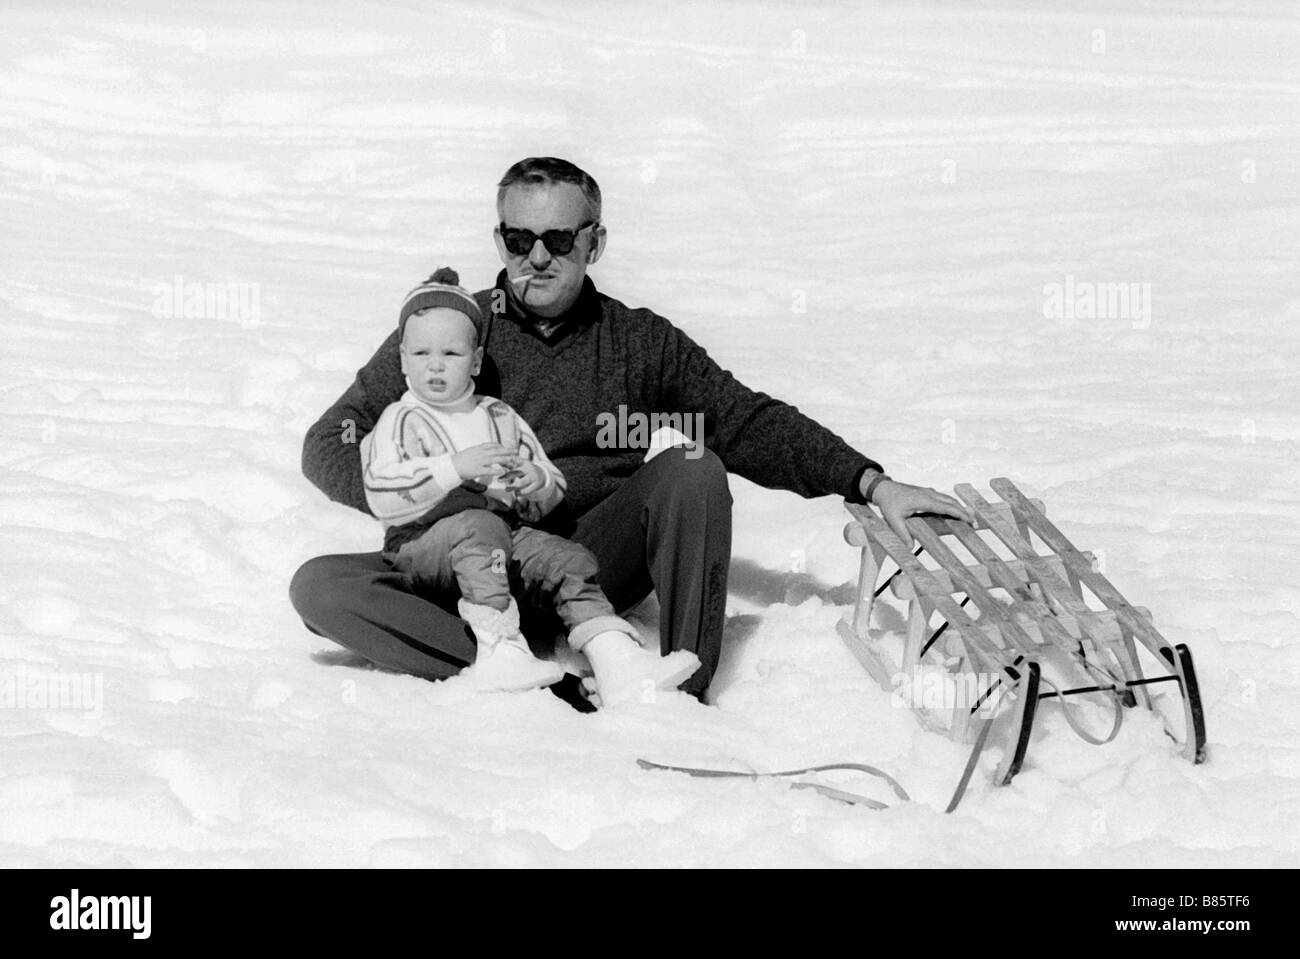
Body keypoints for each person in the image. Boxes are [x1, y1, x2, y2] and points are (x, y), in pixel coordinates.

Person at [290, 156, 969, 706]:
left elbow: (742, 418)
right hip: (461, 568)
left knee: (693, 463)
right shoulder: (449, 330)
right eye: (519, 239)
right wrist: (414, 492)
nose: (537, 259)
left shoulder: (636, 343)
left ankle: (677, 685)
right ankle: (531, 672)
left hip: (587, 562)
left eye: (559, 240)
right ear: (499, 239)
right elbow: (329, 441)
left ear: (596, 241)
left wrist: (869, 482)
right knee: (319, 587)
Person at [361, 266, 700, 702]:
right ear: (403, 359)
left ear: (477, 361)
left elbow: (548, 488)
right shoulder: (402, 418)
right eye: (422, 354)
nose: (436, 367)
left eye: (451, 354)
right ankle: (501, 648)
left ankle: (615, 657)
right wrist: (455, 467)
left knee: (565, 556)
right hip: (422, 544)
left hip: (501, 535)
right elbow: (382, 492)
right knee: (477, 529)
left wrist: (534, 482)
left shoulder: (499, 416)